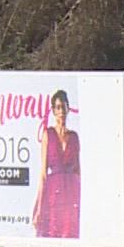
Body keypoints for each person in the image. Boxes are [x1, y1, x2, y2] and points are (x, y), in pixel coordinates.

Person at [32, 89, 81, 239]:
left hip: (71, 193)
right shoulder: (48, 134)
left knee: (69, 232)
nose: (61, 111)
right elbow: (43, 172)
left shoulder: (73, 136)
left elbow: (78, 171)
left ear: (68, 109)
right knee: (52, 231)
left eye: (64, 107)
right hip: (53, 192)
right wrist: (39, 205)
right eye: (58, 107)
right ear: (53, 110)